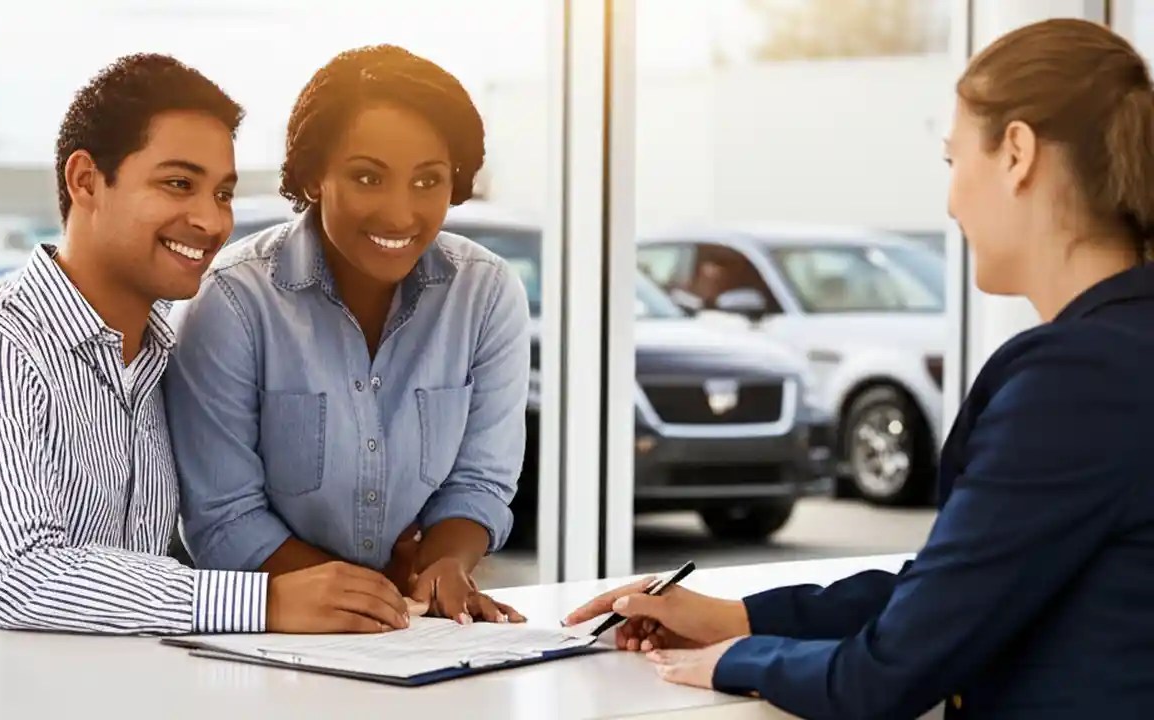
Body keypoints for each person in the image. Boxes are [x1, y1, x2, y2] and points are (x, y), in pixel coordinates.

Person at [564, 19, 1154, 718]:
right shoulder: (1121, 351)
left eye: (951, 160)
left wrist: (734, 660)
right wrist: (739, 617)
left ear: (1017, 153)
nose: (950, 202)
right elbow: (954, 590)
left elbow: (886, 675)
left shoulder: (1080, 378)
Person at [0, 54, 410, 636]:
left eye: (223, 193)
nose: (211, 221)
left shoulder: (166, 362)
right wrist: (264, 602)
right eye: (178, 184)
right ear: (85, 181)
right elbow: (19, 578)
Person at [164, 45, 530, 627]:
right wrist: (370, 597)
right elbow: (223, 516)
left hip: (407, 632)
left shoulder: (485, 294)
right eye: (367, 177)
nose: (399, 213)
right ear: (314, 176)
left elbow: (480, 480)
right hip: (271, 636)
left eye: (428, 180)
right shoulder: (234, 301)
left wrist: (443, 565)